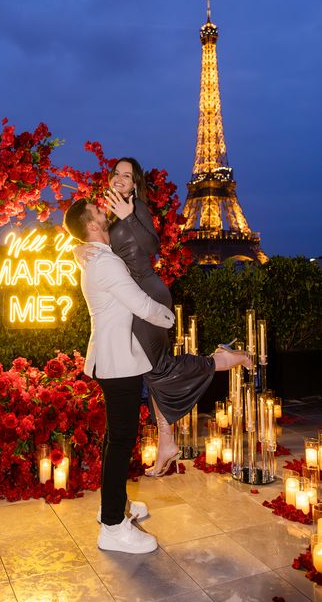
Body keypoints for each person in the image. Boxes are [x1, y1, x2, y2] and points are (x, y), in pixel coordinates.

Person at [78, 157, 251, 476]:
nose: (120, 179)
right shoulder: (112, 218)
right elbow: (99, 247)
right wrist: (78, 248)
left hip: (147, 294)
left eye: (127, 176)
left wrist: (130, 217)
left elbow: (152, 246)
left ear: (135, 184)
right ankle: (167, 440)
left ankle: (222, 359)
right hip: (133, 299)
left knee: (158, 368)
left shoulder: (136, 208)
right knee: (152, 371)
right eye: (116, 173)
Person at [63, 198, 176, 554]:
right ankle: (112, 526)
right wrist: (171, 319)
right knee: (122, 442)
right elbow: (140, 304)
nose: (104, 212)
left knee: (117, 439)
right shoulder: (105, 262)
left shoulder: (96, 257)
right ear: (92, 226)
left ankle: (111, 508)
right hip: (118, 362)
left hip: (112, 359)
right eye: (98, 212)